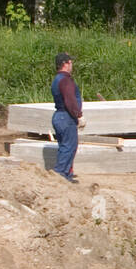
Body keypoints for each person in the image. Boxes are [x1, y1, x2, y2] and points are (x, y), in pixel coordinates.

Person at [50, 53, 84, 183]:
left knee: (65, 146)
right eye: (70, 62)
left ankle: (66, 174)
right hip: (66, 117)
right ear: (65, 63)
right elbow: (70, 100)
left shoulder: (57, 79)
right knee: (69, 147)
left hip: (60, 117)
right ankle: (60, 174)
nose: (72, 65)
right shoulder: (65, 80)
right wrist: (79, 115)